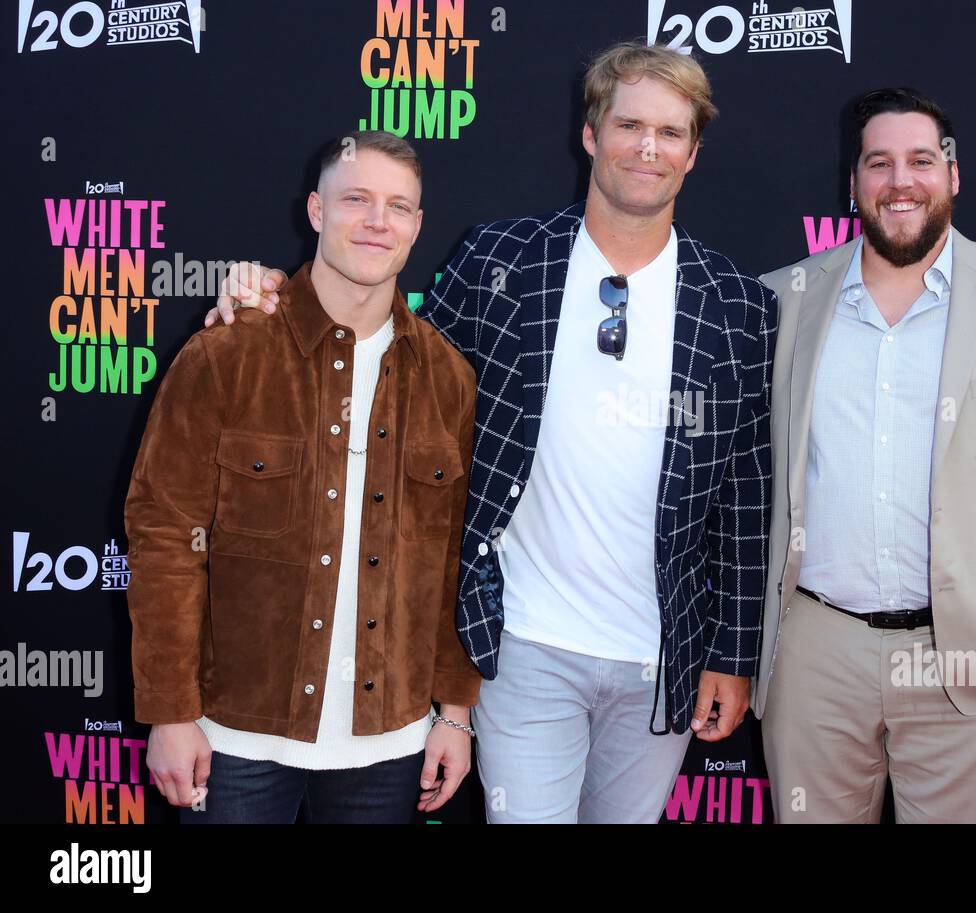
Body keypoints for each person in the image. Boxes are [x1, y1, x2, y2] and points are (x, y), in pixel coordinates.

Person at [205, 42, 776, 824]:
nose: (648, 148)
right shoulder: (500, 259)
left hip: (661, 658)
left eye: (670, 132)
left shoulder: (737, 302)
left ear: (694, 150)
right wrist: (270, 297)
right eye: (629, 124)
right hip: (522, 646)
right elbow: (390, 365)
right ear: (590, 134)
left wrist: (732, 655)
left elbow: (745, 494)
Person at [754, 88, 976, 823]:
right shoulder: (783, 300)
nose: (901, 181)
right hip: (814, 655)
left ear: (954, 175)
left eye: (922, 160)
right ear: (853, 182)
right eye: (879, 163)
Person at [125, 130, 480, 823]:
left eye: (398, 206)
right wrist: (170, 713)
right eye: (357, 199)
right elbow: (165, 536)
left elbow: (456, 564)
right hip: (233, 737)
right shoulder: (227, 353)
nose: (378, 221)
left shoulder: (448, 378)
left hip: (390, 742)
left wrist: (457, 713)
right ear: (316, 210)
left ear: (417, 226)